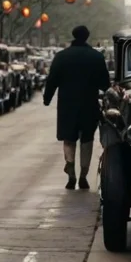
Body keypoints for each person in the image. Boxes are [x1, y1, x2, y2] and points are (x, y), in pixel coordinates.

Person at [43, 25, 111, 190]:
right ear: (87, 37)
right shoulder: (96, 57)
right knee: (87, 139)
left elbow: (52, 80)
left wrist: (47, 98)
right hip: (89, 104)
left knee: (69, 138)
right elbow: (105, 84)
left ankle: (71, 171)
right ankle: (83, 176)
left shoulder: (61, 57)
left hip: (67, 105)